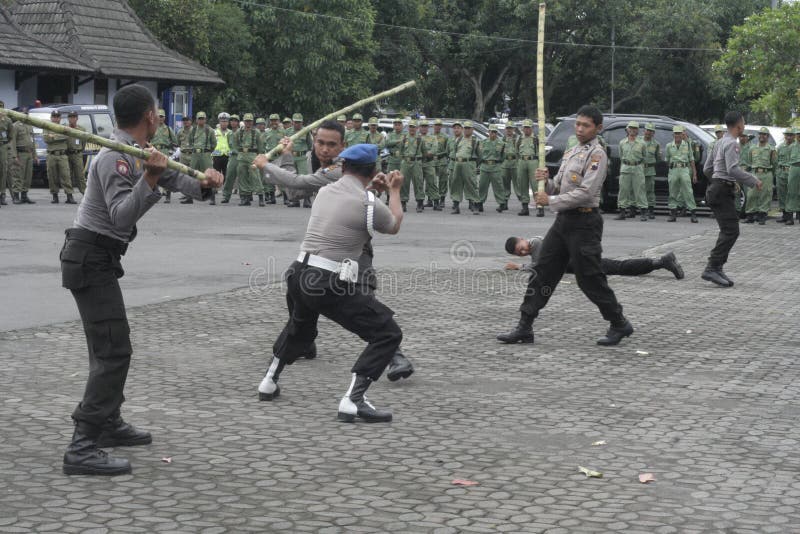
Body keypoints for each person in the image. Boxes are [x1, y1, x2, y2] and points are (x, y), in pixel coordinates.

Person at [59, 84, 223, 475]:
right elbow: (120, 216)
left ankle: (109, 422)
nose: (159, 119)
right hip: (90, 258)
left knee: (108, 347)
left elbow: (176, 180)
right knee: (114, 351)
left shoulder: (138, 152)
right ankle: (82, 445)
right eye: (157, 114)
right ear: (150, 116)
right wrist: (149, 178)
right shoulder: (114, 157)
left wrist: (204, 183)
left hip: (99, 259)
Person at [254, 121, 415, 381]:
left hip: (353, 250)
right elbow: (295, 192)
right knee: (299, 298)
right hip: (322, 253)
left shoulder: (337, 171)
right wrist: (287, 156)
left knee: (362, 301)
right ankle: (303, 343)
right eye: (320, 143)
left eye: (332, 144)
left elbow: (297, 183)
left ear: (343, 147)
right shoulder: (325, 168)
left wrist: (267, 165)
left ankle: (393, 354)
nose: (325, 149)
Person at [496, 105, 633, 346]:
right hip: (563, 221)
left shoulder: (597, 155)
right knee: (543, 272)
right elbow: (558, 186)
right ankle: (524, 325)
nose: (579, 129)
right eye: (577, 124)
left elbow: (586, 192)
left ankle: (619, 322)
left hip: (585, 222)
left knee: (589, 277)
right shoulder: (572, 151)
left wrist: (550, 200)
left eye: (586, 125)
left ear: (598, 128)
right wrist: (546, 182)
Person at [701, 111, 762, 287]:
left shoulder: (719, 142)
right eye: (743, 122)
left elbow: (707, 168)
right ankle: (712, 267)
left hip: (717, 189)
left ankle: (717, 268)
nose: (744, 125)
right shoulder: (732, 144)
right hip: (721, 191)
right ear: (739, 125)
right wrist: (754, 180)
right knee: (731, 231)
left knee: (728, 230)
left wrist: (717, 181)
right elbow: (732, 169)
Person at [504, 236, 684, 279]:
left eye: (521, 248)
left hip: (582, 261)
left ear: (522, 239)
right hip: (581, 262)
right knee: (619, 268)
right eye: (519, 254)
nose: (523, 252)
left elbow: (541, 266)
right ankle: (660, 262)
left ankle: (661, 261)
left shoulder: (536, 243)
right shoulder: (535, 248)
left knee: (619, 267)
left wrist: (519, 267)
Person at [616, 121, 648, 221]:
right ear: (628, 129)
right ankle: (622, 212)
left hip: (637, 168)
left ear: (638, 130)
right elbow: (621, 156)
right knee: (623, 190)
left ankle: (643, 212)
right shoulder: (622, 142)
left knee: (640, 190)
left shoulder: (642, 143)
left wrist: (638, 165)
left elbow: (644, 156)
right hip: (625, 168)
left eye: (635, 128)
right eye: (631, 128)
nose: (632, 130)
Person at [665, 125, 698, 223]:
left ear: (682, 134)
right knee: (673, 191)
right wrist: (672, 168)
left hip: (684, 169)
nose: (678, 135)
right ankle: (673, 214)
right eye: (676, 133)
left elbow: (691, 159)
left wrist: (694, 174)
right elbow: (667, 160)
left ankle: (693, 214)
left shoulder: (687, 145)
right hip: (674, 170)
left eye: (679, 133)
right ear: (673, 134)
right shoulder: (669, 146)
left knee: (688, 191)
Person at [44, 110, 77, 204]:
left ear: (60, 118)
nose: (56, 118)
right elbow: (46, 139)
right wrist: (59, 136)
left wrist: (53, 136)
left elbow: (66, 136)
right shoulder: (47, 127)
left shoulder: (64, 127)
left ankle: (69, 196)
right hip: (51, 154)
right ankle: (55, 196)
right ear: (51, 118)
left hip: (62, 155)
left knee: (66, 176)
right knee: (52, 176)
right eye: (54, 116)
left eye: (57, 117)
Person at [743, 127, 775, 225]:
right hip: (754, 173)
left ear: (767, 136)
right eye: (760, 134)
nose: (762, 136)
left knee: (765, 194)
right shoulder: (752, 148)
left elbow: (774, 163)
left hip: (766, 173)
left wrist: (770, 174)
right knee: (751, 194)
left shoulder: (771, 149)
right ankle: (750, 215)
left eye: (764, 134)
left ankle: (762, 216)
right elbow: (749, 161)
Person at [186, 111, 216, 205]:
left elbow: (214, 144)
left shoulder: (210, 130)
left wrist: (207, 151)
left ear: (205, 120)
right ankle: (189, 197)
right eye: (199, 118)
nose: (201, 120)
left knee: (209, 175)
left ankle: (212, 197)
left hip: (205, 154)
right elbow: (190, 141)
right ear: (196, 120)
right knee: (191, 174)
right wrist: (193, 149)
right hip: (195, 154)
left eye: (203, 118)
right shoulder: (193, 130)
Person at [451, 120, 481, 214]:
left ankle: (475, 205)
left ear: (472, 130)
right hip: (458, 163)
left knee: (471, 184)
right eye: (466, 128)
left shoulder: (475, 141)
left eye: (469, 128)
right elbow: (455, 151)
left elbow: (480, 156)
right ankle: (456, 206)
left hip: (469, 164)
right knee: (456, 184)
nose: (467, 130)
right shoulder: (459, 139)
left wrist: (473, 165)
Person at [9, 108, 36, 204]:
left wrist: (35, 155)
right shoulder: (15, 126)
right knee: (18, 175)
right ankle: (16, 196)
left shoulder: (29, 126)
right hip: (20, 154)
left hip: (29, 153)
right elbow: (12, 142)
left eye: (27, 114)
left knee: (28, 176)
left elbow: (33, 141)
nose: (25, 115)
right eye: (24, 114)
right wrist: (14, 156)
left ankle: (24, 195)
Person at [151, 109, 178, 203]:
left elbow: (175, 141)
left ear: (165, 118)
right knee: (153, 172)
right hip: (154, 151)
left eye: (162, 116)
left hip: (164, 151)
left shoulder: (168, 129)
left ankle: (168, 195)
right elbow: (147, 139)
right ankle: (155, 194)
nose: (160, 118)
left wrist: (170, 149)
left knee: (166, 173)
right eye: (159, 116)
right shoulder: (152, 128)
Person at [478, 124, 506, 213]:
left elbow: (503, 156)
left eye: (494, 132)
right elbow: (480, 155)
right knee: (482, 185)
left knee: (498, 186)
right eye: (491, 132)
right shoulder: (482, 142)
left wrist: (497, 163)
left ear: (497, 133)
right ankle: (480, 203)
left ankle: (501, 203)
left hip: (495, 167)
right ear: (488, 132)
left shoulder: (501, 143)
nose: (493, 134)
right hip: (484, 166)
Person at [399, 119, 424, 213]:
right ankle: (403, 203)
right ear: (408, 128)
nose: (412, 129)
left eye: (414, 127)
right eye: (410, 127)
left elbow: (424, 151)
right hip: (406, 162)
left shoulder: (420, 139)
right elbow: (401, 150)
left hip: (416, 162)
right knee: (404, 182)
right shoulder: (404, 138)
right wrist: (403, 159)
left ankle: (420, 203)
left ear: (417, 128)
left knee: (418, 182)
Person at [515, 119, 537, 216]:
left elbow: (540, 152)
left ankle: (540, 206)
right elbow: (516, 151)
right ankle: (525, 207)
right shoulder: (519, 139)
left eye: (528, 127)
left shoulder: (536, 139)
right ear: (522, 128)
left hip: (533, 161)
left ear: (532, 128)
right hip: (522, 160)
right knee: (522, 184)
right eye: (525, 127)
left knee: (535, 184)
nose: (526, 129)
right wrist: (519, 162)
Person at [211, 112, 232, 206]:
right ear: (219, 122)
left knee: (226, 177)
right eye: (222, 121)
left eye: (226, 121)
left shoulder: (231, 132)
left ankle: (225, 196)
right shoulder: (214, 132)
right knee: (215, 177)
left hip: (227, 156)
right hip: (216, 156)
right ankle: (212, 197)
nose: (224, 123)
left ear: (228, 122)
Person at [775, 127, 795, 223]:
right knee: (781, 194)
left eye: (791, 135)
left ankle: (790, 217)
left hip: (792, 173)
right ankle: (784, 215)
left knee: (790, 194)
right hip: (781, 173)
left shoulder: (796, 146)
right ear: (784, 136)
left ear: (794, 136)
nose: (789, 137)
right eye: (787, 135)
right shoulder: (780, 147)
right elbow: (776, 160)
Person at [65, 111, 87, 196]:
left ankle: (85, 194)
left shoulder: (81, 129)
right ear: (68, 118)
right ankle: (69, 195)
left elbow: (83, 142)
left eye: (74, 117)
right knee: (68, 175)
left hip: (77, 154)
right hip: (67, 154)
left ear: (77, 118)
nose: (72, 119)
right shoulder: (65, 128)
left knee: (80, 175)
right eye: (70, 117)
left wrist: (79, 150)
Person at [642, 123, 661, 219]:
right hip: (639, 169)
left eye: (651, 131)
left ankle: (651, 210)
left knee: (650, 191)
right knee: (639, 190)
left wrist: (650, 163)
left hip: (650, 170)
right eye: (647, 130)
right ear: (644, 131)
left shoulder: (656, 144)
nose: (648, 132)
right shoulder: (638, 141)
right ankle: (639, 210)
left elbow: (658, 158)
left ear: (653, 133)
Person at [419, 120, 439, 211]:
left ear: (428, 128)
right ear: (419, 127)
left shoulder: (433, 138)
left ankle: (436, 202)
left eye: (425, 126)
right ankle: (420, 203)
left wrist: (427, 154)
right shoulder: (417, 137)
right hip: (419, 163)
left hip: (429, 162)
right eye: (422, 126)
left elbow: (434, 149)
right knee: (419, 183)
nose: (424, 128)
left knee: (432, 183)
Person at [221, 114, 240, 204]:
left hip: (241, 156)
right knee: (229, 176)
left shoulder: (241, 132)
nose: (233, 122)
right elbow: (229, 145)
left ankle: (246, 195)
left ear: (238, 122)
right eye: (232, 121)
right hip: (233, 157)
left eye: (235, 121)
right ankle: (226, 196)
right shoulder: (229, 134)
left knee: (243, 177)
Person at [500, 123, 518, 213]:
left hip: (515, 163)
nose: (509, 130)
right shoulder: (502, 139)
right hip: (505, 163)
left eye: (510, 128)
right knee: (505, 184)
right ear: (505, 129)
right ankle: (504, 203)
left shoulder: (517, 139)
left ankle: (524, 203)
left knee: (518, 184)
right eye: (507, 128)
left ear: (513, 129)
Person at [784, 127, 800, 225]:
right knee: (791, 192)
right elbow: (787, 160)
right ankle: (790, 216)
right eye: (798, 134)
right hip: (794, 168)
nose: (799, 136)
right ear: (796, 136)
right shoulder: (791, 147)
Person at [432, 119, 449, 209]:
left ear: (441, 126)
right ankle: (430, 199)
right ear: (433, 126)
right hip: (431, 161)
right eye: (436, 125)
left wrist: (439, 154)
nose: (437, 127)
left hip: (442, 160)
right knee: (431, 180)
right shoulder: (430, 136)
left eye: (439, 125)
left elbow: (447, 150)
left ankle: (442, 199)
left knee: (443, 181)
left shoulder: (445, 137)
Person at [0, 100, 13, 206]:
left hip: (2, 146)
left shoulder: (8, 120)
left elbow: (10, 136)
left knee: (3, 170)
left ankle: (2, 194)